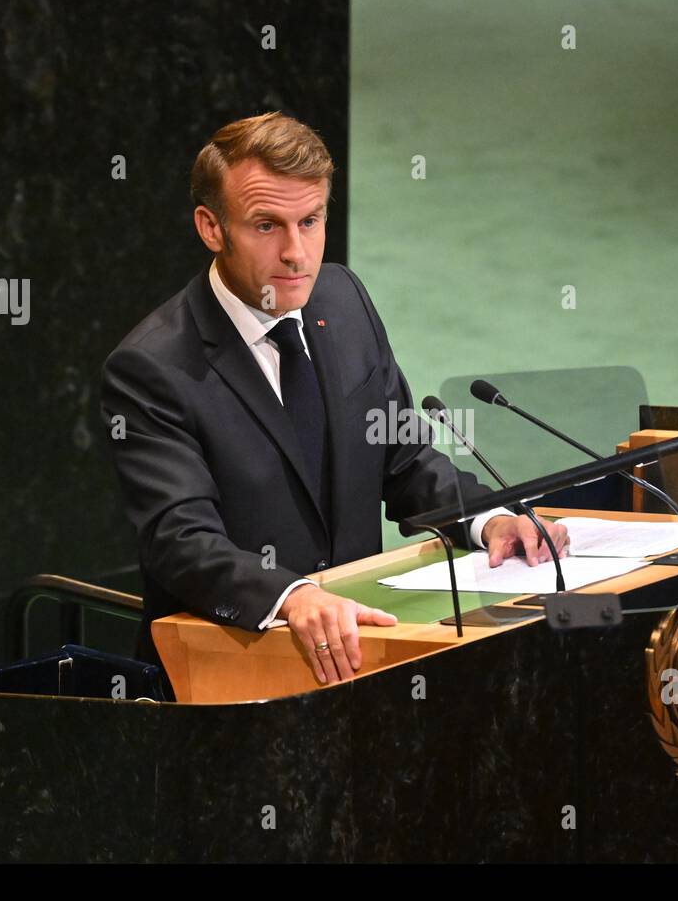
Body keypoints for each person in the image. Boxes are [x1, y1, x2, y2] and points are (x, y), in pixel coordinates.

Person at [100, 111, 569, 689]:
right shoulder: (154, 366)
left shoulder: (343, 300)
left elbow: (404, 460)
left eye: (311, 221)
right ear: (211, 227)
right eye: (267, 225)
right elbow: (180, 540)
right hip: (229, 668)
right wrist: (291, 595)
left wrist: (490, 520)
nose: (297, 253)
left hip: (363, 653)